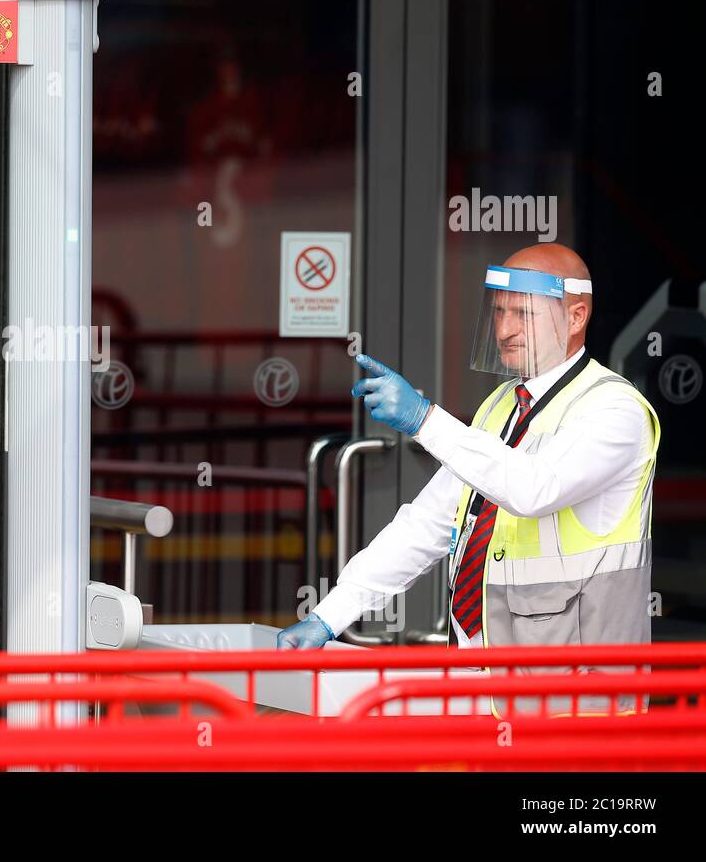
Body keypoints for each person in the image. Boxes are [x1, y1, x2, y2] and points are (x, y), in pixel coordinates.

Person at [279, 244, 660, 709]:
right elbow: (427, 524)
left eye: (522, 313)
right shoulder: (501, 406)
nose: (504, 330)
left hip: (578, 700)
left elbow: (533, 488)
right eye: (498, 313)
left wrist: (424, 418)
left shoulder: (614, 410)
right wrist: (328, 617)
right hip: (486, 686)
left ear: (576, 317)